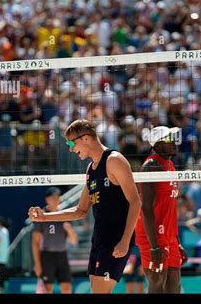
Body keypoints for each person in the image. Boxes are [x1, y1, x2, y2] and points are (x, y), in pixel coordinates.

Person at [29, 119, 141, 294]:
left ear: (87, 138)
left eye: (71, 143)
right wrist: (45, 216)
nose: (70, 148)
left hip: (115, 240)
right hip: (99, 240)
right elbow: (80, 211)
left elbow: (135, 202)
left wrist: (125, 241)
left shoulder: (114, 160)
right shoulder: (91, 169)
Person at [135, 126, 188, 293]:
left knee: (174, 286)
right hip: (152, 236)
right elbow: (146, 209)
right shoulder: (151, 166)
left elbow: (169, 209)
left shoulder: (170, 164)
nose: (174, 142)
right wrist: (154, 246)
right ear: (157, 145)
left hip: (170, 235)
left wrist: (177, 241)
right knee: (157, 283)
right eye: (169, 139)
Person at [32, 187, 78, 294]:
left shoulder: (64, 215)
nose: (56, 200)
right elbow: (35, 243)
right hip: (47, 256)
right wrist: (37, 263)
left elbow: (74, 240)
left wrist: (69, 229)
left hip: (62, 255)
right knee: (47, 289)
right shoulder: (41, 216)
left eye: (57, 197)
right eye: (53, 197)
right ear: (47, 199)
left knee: (67, 288)